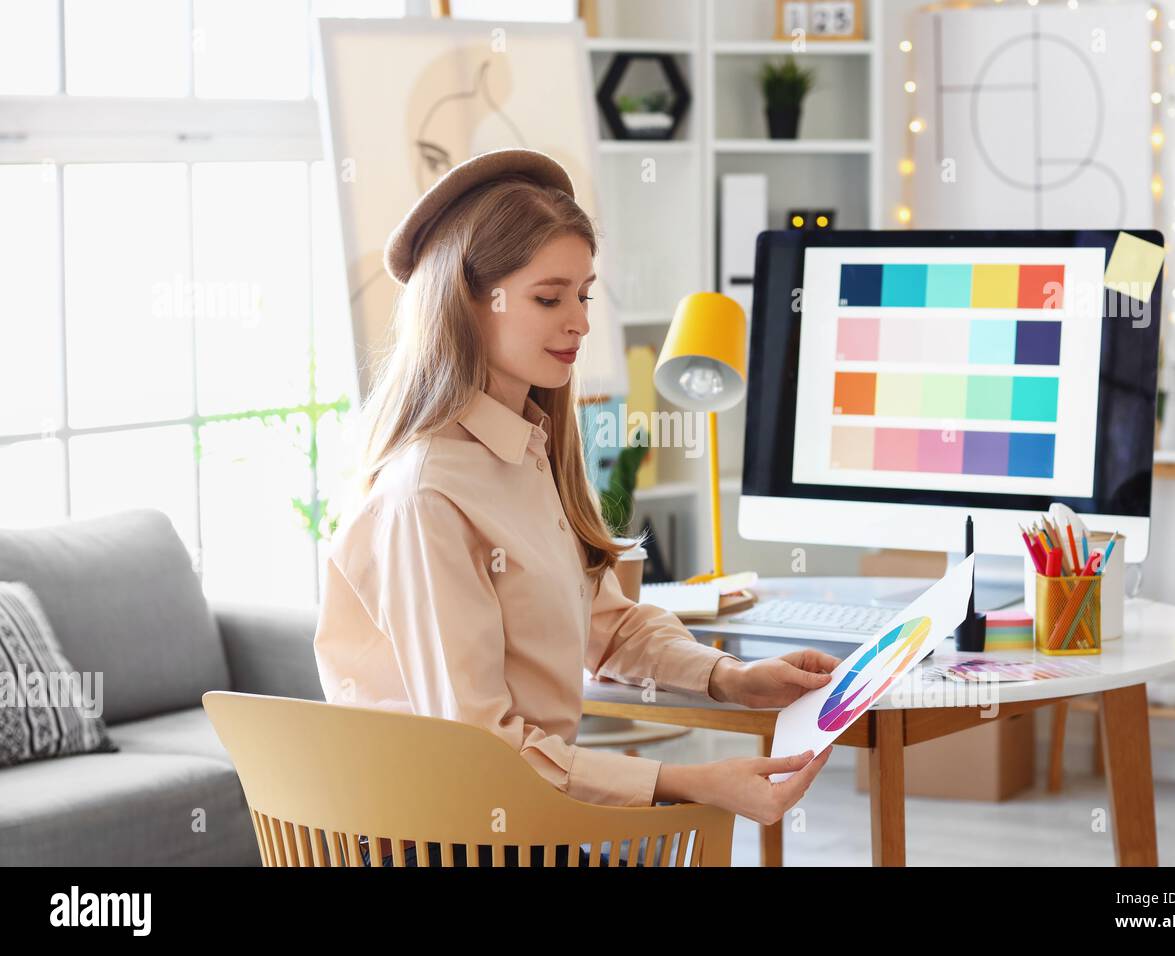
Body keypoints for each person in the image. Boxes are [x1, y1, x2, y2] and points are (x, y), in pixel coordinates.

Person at [314, 148, 837, 866]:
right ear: (468, 303)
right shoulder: (427, 496)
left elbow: (608, 628)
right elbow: (479, 753)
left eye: (584, 295)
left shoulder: (528, 450)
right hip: (451, 840)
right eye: (548, 297)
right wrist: (688, 782)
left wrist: (731, 677)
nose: (580, 323)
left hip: (524, 827)